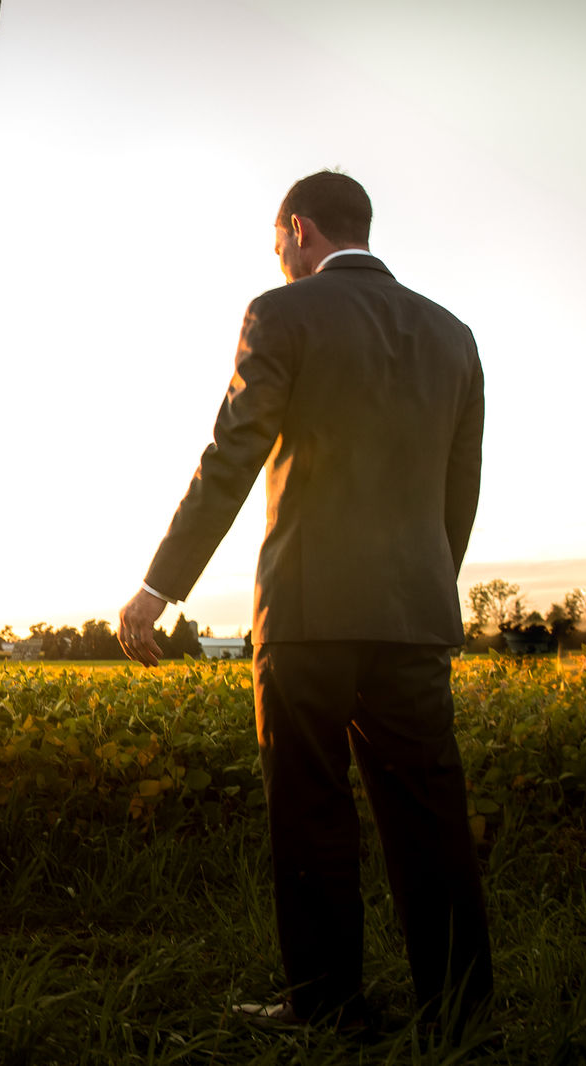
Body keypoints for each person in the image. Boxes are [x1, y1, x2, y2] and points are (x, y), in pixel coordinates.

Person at [117, 171, 491, 1032]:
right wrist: (424, 583)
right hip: (414, 614)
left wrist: (160, 586)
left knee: (312, 806)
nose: (280, 259)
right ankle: (460, 1009)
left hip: (308, 612)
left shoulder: (281, 314)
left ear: (298, 230)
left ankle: (327, 1006)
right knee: (431, 815)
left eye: (279, 244)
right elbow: (458, 489)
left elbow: (232, 456)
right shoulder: (453, 334)